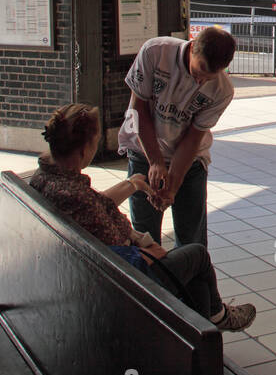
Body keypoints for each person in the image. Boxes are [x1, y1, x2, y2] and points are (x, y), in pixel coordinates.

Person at [30, 104, 255, 330]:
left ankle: (204, 330)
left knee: (189, 268)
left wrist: (132, 184)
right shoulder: (78, 197)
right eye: (95, 142)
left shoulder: (46, 178)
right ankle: (215, 321)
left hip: (78, 273)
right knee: (197, 256)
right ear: (82, 151)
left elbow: (94, 206)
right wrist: (145, 250)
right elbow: (116, 247)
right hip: (123, 282)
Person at [116, 27, 236, 248]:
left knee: (192, 240)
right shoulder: (155, 52)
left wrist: (173, 183)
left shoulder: (223, 90)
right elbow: (138, 108)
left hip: (189, 162)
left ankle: (186, 282)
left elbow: (193, 138)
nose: (200, 81)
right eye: (199, 71)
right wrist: (155, 161)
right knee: (143, 237)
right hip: (144, 149)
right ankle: (149, 282)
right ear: (192, 48)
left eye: (210, 77)